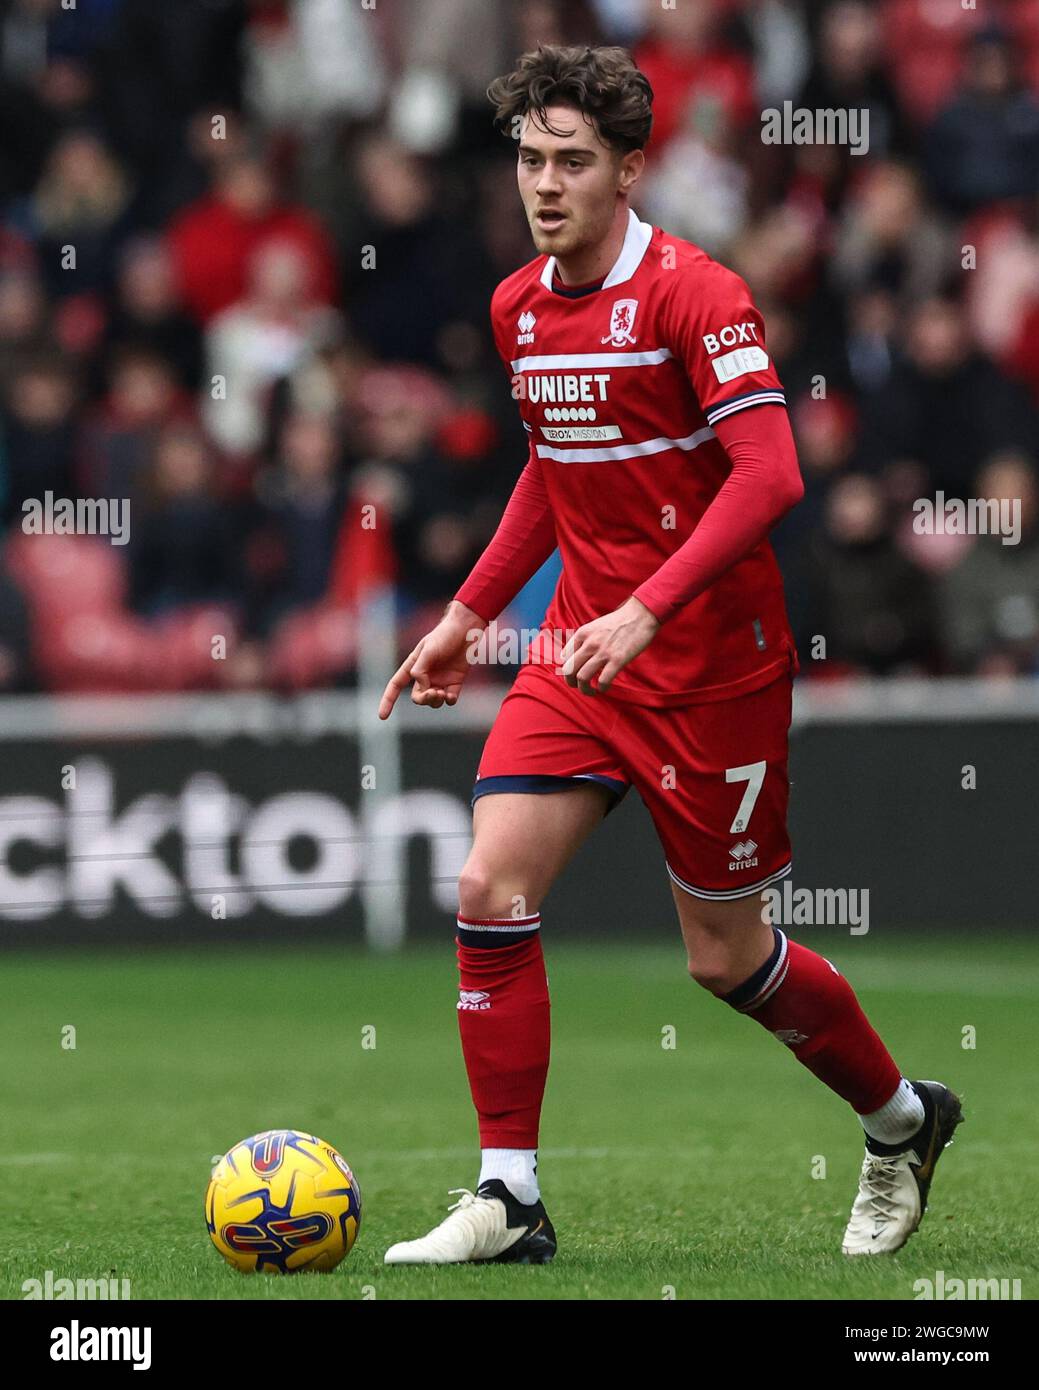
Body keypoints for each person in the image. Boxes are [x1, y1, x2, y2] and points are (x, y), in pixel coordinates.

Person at [378, 44, 961, 1266]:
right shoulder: (515, 306)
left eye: (573, 162)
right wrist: (467, 617)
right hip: (579, 658)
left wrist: (647, 606)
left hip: (708, 671)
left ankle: (901, 1120)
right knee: (489, 888)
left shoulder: (699, 295)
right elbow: (552, 470)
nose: (546, 184)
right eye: (531, 160)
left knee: (725, 958)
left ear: (631, 170)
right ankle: (508, 1194)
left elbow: (772, 474)